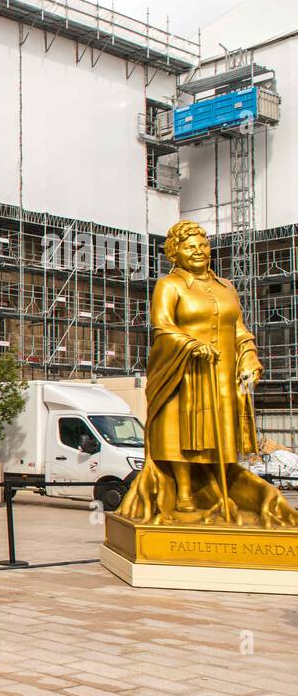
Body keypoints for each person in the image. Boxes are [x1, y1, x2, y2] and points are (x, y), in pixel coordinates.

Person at [117, 219, 297, 527]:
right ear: (175, 252)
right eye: (190, 247)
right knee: (181, 432)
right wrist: (189, 344)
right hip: (184, 371)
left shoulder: (225, 287)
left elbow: (239, 329)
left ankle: (221, 493)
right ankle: (184, 494)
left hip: (222, 375)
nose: (198, 251)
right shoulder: (169, 285)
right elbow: (162, 325)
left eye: (202, 245)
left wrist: (250, 358)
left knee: (220, 437)